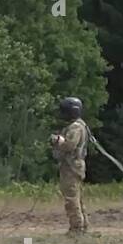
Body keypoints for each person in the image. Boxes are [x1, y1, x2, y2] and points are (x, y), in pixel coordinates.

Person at [50, 97, 89, 234]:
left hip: (71, 166)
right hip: (74, 165)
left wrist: (58, 140)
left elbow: (69, 145)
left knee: (71, 198)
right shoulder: (79, 125)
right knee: (76, 197)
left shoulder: (75, 128)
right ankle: (82, 225)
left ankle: (77, 228)